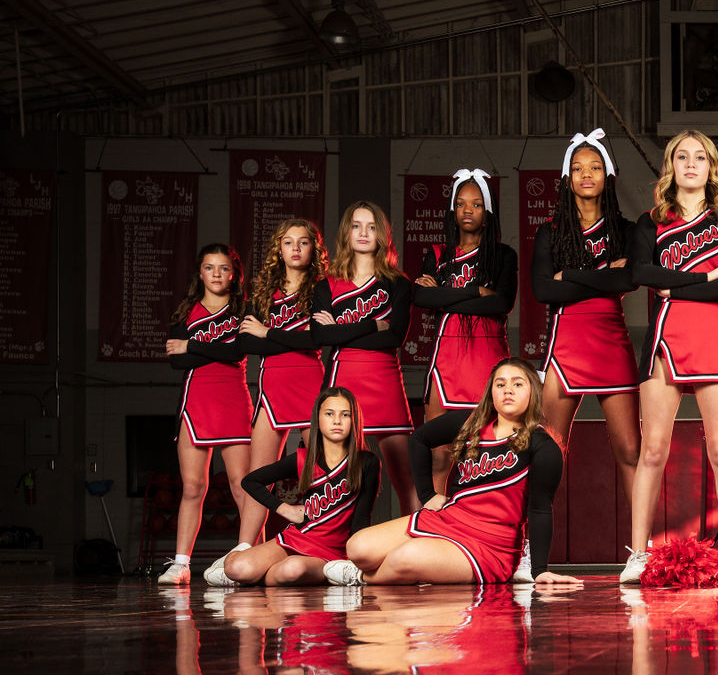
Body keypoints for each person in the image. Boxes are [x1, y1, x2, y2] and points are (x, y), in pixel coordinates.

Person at [325, 359, 577, 586]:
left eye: (517, 384)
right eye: (500, 384)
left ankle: (362, 578)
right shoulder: (471, 424)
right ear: (491, 392)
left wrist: (540, 570)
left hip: (490, 545)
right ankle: (411, 572)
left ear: (533, 392)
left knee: (405, 557)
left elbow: (540, 508)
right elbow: (419, 440)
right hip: (447, 520)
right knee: (357, 547)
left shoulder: (543, 446)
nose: (507, 390)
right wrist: (427, 495)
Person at [621, 131, 718, 584]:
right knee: (653, 450)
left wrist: (674, 283)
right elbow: (639, 273)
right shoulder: (650, 221)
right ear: (670, 165)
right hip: (665, 337)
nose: (690, 164)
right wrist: (705, 274)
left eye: (699, 157)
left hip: (712, 336)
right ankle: (637, 553)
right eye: (681, 156)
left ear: (711, 166)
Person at [205, 220, 328, 584]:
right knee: (255, 476)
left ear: (312, 249)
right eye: (288, 242)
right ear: (278, 248)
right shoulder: (263, 292)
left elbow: (315, 342)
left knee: (324, 472)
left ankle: (326, 545)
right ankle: (244, 547)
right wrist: (289, 337)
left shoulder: (321, 289)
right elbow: (247, 345)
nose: (295, 248)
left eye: (303, 242)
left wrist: (268, 333)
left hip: (310, 383)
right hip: (272, 385)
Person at [534, 129, 641, 506]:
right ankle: (530, 546)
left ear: (607, 176)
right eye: (577, 168)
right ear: (567, 178)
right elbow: (544, 290)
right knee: (548, 454)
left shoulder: (626, 230)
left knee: (630, 450)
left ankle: (641, 549)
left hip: (611, 342)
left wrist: (572, 276)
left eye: (594, 166)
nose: (586, 174)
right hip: (566, 346)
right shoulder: (550, 233)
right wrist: (604, 275)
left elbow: (630, 278)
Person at [415, 168, 517, 496]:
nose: (467, 210)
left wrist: (445, 295)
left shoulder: (503, 255)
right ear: (452, 211)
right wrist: (475, 292)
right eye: (461, 204)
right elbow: (421, 297)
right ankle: (429, 529)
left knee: (494, 453)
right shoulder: (437, 255)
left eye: (475, 204)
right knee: (439, 457)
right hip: (446, 362)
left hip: (488, 361)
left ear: (487, 212)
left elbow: (501, 303)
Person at [311, 201, 418, 514]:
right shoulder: (326, 285)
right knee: (341, 475)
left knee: (405, 475)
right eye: (356, 226)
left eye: (372, 227)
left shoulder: (398, 283)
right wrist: (371, 324)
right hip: (343, 379)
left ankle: (414, 548)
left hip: (385, 378)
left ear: (382, 236)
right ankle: (342, 551)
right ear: (346, 233)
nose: (363, 233)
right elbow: (321, 337)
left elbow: (394, 337)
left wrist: (341, 329)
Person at [160, 244, 253, 585]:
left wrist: (194, 346)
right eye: (209, 267)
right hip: (195, 401)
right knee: (192, 487)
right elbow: (176, 361)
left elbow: (238, 352)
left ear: (234, 274)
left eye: (223, 268)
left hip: (232, 399)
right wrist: (209, 351)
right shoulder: (184, 312)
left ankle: (249, 557)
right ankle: (181, 564)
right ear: (199, 273)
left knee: (242, 486)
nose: (216, 273)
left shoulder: (244, 309)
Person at [223, 387, 381, 586]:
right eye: (329, 413)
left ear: (354, 420)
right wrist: (285, 509)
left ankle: (256, 576)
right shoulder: (304, 459)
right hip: (297, 538)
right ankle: (241, 567)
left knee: (291, 569)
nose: (337, 421)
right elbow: (250, 481)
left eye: (345, 414)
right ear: (318, 419)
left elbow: (361, 519)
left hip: (333, 551)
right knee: (236, 568)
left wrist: (355, 558)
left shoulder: (366, 462)